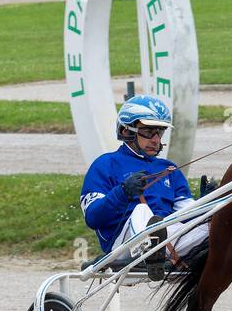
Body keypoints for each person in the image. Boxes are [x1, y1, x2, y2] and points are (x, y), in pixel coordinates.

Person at [80, 95, 208, 267]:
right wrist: (122, 192)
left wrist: (207, 205)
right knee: (142, 211)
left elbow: (186, 213)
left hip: (168, 238)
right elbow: (93, 218)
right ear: (127, 131)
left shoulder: (169, 168)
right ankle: (152, 251)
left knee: (213, 223)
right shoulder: (105, 164)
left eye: (160, 132)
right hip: (123, 247)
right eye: (149, 132)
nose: (156, 140)